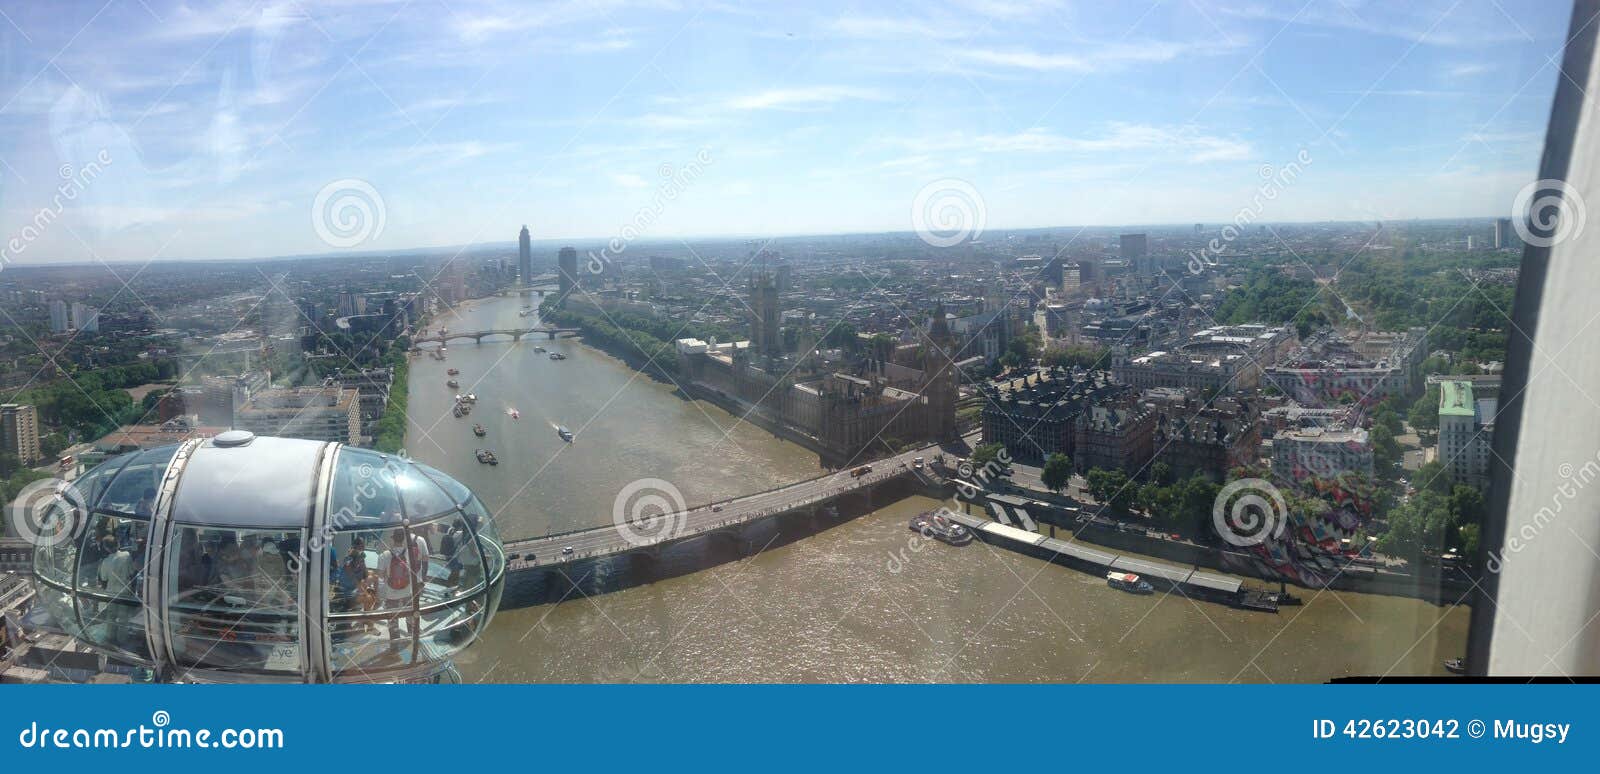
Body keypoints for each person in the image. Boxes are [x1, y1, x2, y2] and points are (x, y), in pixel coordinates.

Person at [377, 526, 428, 643]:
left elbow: (380, 575)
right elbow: (416, 570)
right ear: (404, 539)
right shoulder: (411, 554)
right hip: (407, 592)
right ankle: (411, 641)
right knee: (410, 618)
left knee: (393, 621)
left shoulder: (384, 555)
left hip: (391, 594)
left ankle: (395, 643)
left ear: (393, 539)